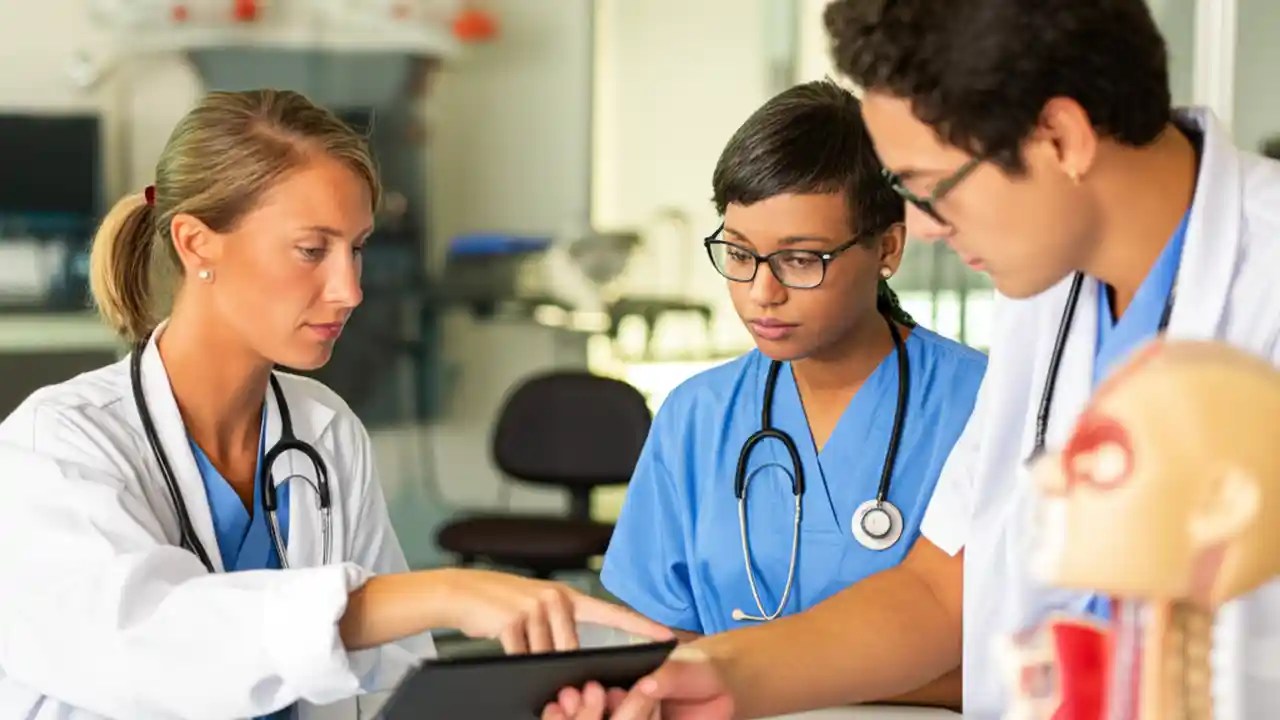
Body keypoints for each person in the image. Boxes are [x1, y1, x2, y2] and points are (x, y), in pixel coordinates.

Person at [543, 0, 1280, 718]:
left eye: (932, 186)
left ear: (1059, 137)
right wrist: (714, 676)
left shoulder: (1260, 281)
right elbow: (937, 591)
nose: (921, 228)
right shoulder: (1045, 291)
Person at [0, 88, 668, 720]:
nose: (349, 289)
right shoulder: (56, 447)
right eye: (311, 250)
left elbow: (389, 680)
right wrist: (443, 591)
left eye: (357, 249)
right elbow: (149, 643)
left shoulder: (323, 429)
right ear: (196, 242)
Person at [598, 79, 984, 706]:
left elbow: (1023, 659)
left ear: (887, 247)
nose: (762, 293)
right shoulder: (697, 416)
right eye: (739, 254)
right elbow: (657, 648)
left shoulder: (984, 407)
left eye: (801, 260)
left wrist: (773, 680)